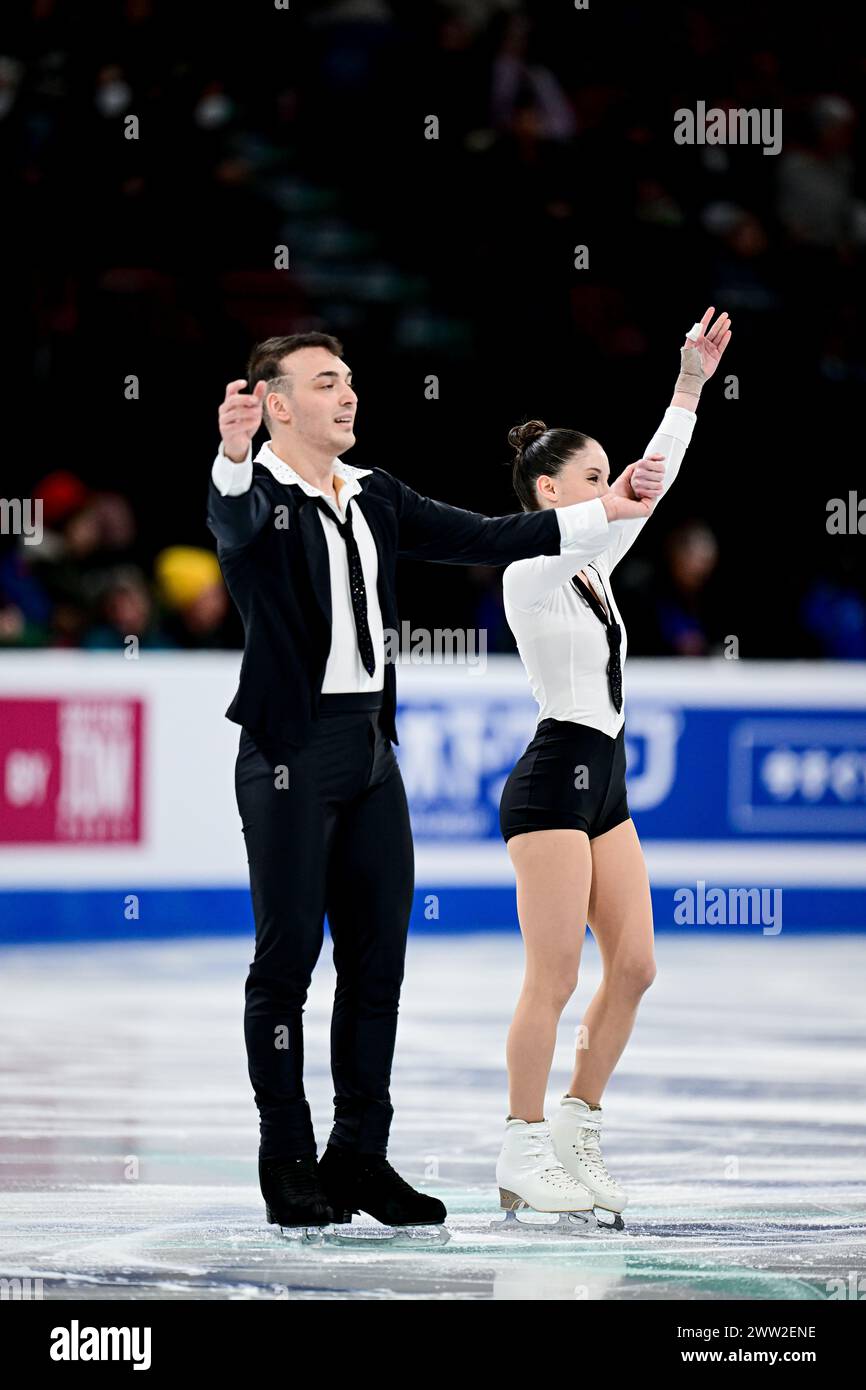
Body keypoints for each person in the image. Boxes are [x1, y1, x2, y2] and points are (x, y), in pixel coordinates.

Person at [206, 330, 642, 1234]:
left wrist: (610, 509)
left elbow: (493, 534)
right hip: (289, 750)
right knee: (287, 963)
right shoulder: (260, 497)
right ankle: (287, 1158)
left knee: (378, 966)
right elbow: (234, 528)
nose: (348, 394)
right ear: (277, 404)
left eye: (351, 380)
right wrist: (234, 457)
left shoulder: (376, 494)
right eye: (326, 383)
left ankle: (359, 1153)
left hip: (370, 749)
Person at [496, 308, 732, 1229]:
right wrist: (623, 497)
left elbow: (652, 488)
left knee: (632, 967)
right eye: (593, 479)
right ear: (551, 493)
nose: (615, 487)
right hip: (554, 781)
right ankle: (518, 1147)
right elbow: (626, 507)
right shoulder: (531, 565)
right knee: (552, 978)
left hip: (608, 784)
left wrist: (687, 389)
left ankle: (573, 1126)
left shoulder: (592, 563)